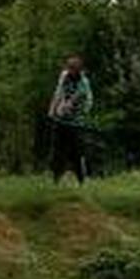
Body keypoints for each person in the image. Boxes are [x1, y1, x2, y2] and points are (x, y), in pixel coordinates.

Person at [49, 55, 93, 185]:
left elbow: (77, 99)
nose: (70, 71)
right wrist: (52, 108)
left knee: (76, 152)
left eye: (73, 69)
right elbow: (58, 92)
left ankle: (81, 180)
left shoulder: (83, 83)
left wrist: (67, 107)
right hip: (61, 120)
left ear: (78, 70)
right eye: (69, 68)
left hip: (76, 121)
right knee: (57, 150)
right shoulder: (64, 76)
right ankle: (56, 178)